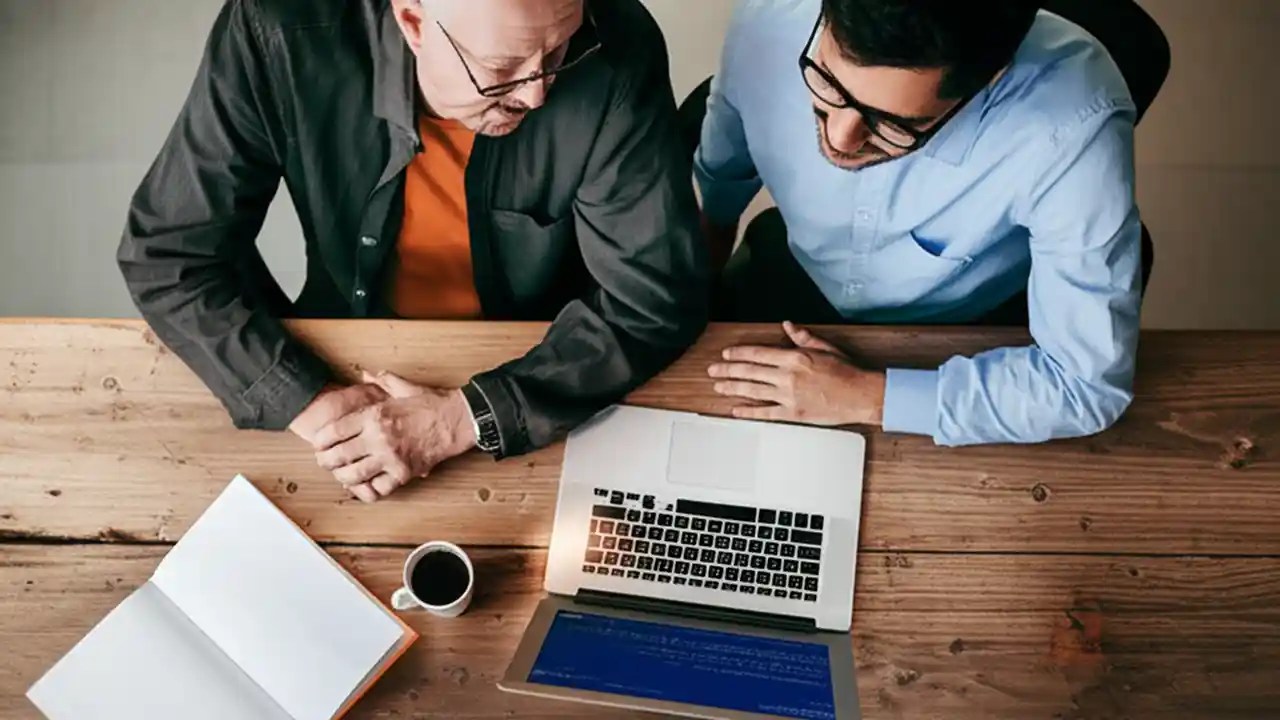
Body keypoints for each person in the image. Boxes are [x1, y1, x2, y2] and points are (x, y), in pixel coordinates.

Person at [118, 0, 708, 502]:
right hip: (341, 362)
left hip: (553, 367)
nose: (537, 95)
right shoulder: (278, 27)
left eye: (559, 52)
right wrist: (305, 399)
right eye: (500, 68)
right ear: (414, 22)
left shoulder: (616, 40)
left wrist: (463, 418)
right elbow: (170, 255)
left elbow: (651, 296)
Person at [696, 0, 1142, 446]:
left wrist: (867, 398)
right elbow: (721, 174)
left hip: (960, 329)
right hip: (792, 275)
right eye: (827, 80)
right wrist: (699, 282)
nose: (839, 139)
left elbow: (1086, 384)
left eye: (894, 124)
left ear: (990, 79)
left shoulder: (1076, 120)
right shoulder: (768, 16)